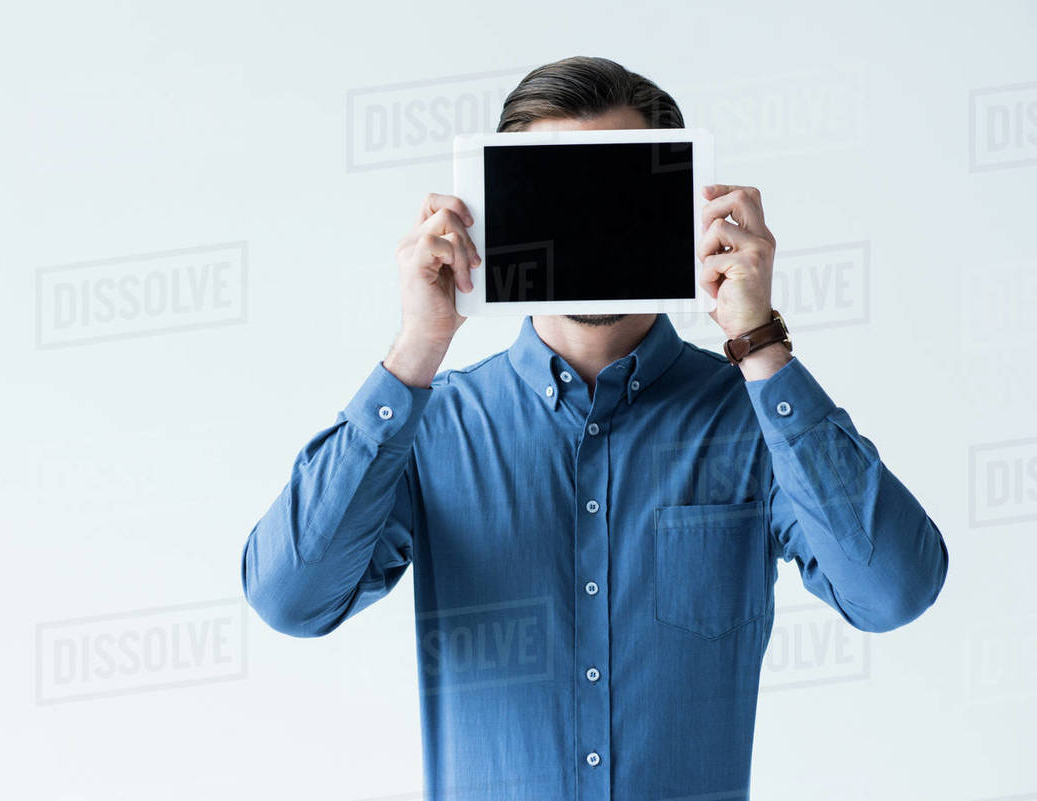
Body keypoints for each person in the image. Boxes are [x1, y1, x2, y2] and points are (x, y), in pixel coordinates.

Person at [241, 56, 948, 801]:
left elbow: (893, 589)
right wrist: (417, 345)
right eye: (555, 198)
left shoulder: (754, 423)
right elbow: (292, 597)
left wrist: (760, 341)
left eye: (613, 198)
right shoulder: (430, 424)